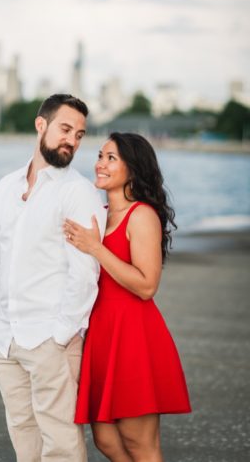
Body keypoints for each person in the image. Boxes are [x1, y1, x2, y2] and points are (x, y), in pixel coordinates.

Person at [0, 93, 107, 461]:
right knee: (23, 435)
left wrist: (62, 332)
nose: (72, 140)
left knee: (62, 442)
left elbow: (85, 271)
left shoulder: (77, 192)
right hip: (5, 338)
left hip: (50, 339)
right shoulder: (5, 187)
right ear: (41, 125)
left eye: (80, 134)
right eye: (65, 129)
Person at [64, 133, 191, 461]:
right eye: (100, 156)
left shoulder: (142, 215)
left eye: (111, 158)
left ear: (132, 169)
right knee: (106, 441)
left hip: (133, 335)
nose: (100, 164)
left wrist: (95, 248)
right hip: (101, 334)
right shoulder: (101, 213)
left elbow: (147, 285)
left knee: (141, 445)